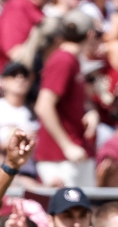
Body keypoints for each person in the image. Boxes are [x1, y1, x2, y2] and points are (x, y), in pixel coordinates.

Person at [33, 14, 97, 190]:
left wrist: (89, 112)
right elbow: (43, 106)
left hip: (70, 154)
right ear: (90, 34)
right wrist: (67, 145)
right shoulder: (63, 60)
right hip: (60, 158)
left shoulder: (71, 59)